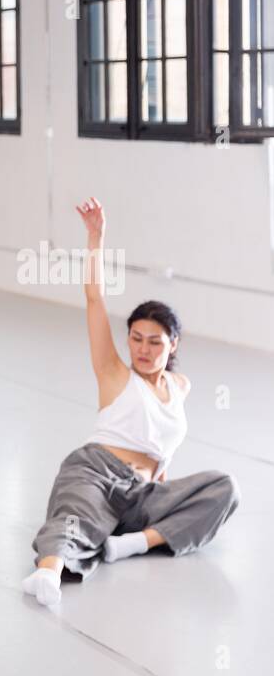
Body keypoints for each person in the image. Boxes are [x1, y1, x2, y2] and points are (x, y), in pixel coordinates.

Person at [22, 198, 240, 608]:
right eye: (136, 339)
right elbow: (94, 300)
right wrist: (96, 238)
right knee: (72, 516)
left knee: (224, 488)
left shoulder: (181, 386)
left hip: (141, 495)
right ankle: (47, 573)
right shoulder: (114, 372)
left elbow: (166, 435)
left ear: (173, 344)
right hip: (96, 472)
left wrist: (162, 470)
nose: (142, 349)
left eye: (154, 341)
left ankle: (134, 544)